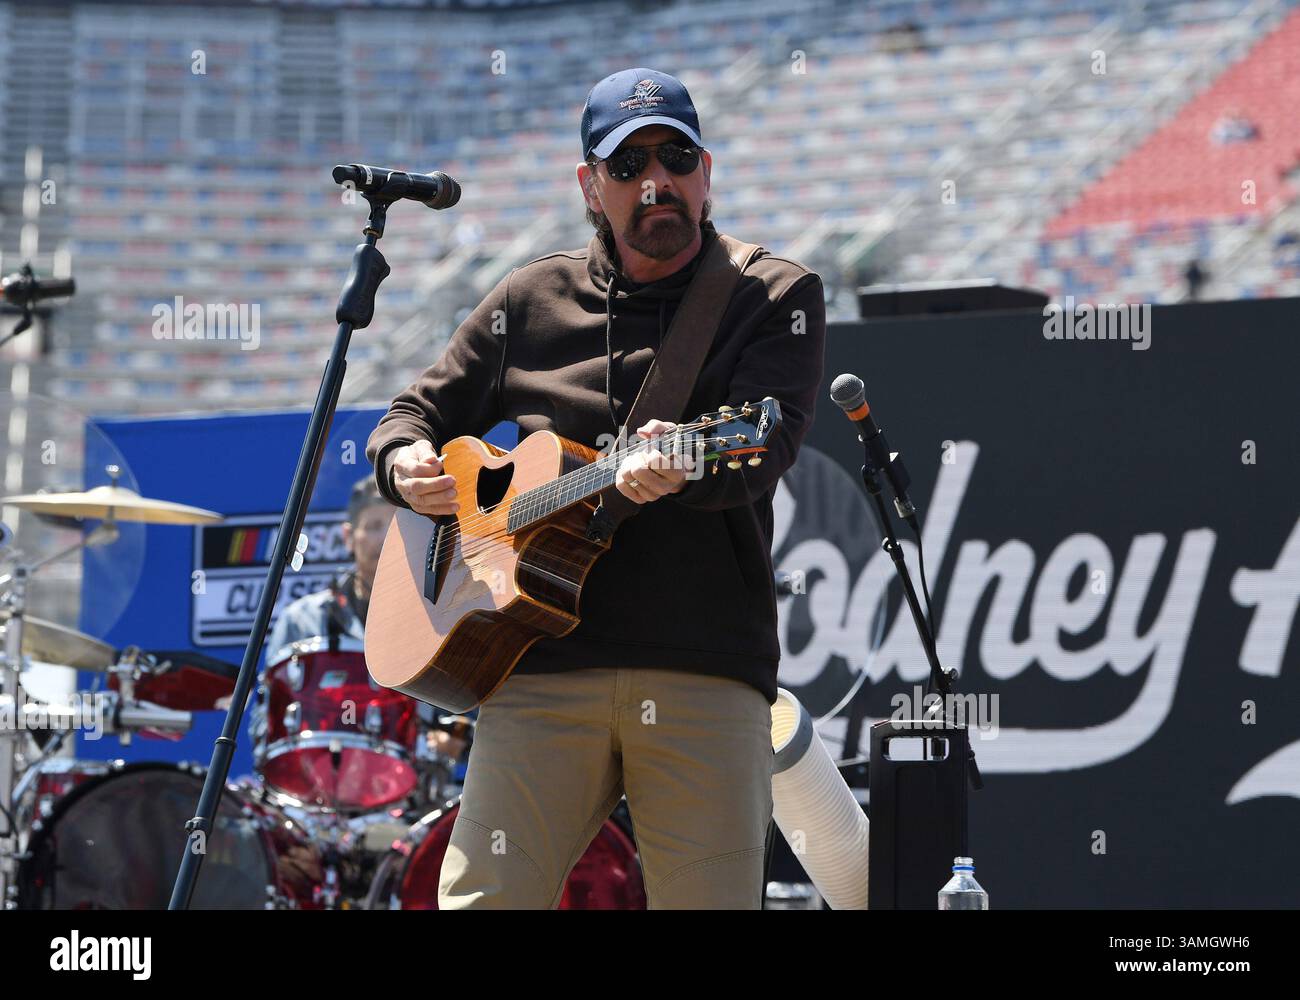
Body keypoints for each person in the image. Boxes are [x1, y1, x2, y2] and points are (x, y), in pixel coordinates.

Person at [366, 68, 827, 909]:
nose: (657, 181)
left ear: (706, 170)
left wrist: (688, 465)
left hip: (701, 668)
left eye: (676, 157)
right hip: (537, 669)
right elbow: (412, 412)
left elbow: (763, 446)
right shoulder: (528, 298)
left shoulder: (774, 294)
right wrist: (405, 463)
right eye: (627, 165)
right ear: (590, 184)